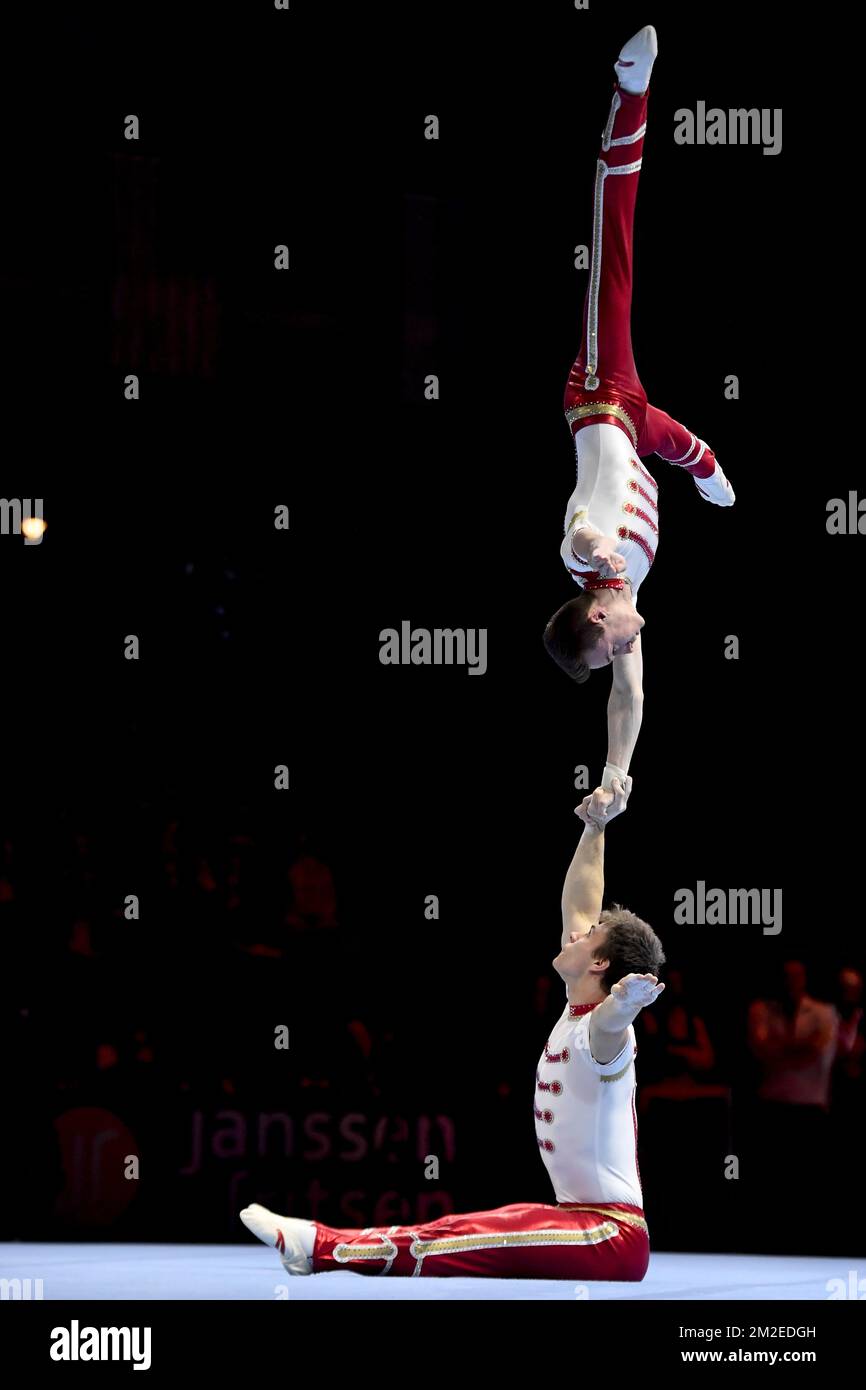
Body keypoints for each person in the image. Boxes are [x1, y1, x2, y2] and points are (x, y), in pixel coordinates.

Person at [239, 778, 666, 1279]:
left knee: (461, 1237)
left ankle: (316, 1246)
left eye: (590, 934)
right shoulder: (578, 1008)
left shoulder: (604, 1030)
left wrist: (627, 1003)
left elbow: (614, 1027)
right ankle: (320, 1246)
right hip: (584, 1224)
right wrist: (596, 825)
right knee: (470, 1227)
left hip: (611, 1234)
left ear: (598, 964)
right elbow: (581, 898)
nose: (576, 929)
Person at [543, 25, 735, 826]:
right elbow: (633, 698)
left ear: (594, 613)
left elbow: (588, 540)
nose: (625, 648)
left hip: (600, 392)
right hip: (645, 430)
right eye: (618, 649)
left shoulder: (584, 550)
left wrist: (592, 552)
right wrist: (614, 781)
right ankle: (700, 459)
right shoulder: (631, 592)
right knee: (705, 467)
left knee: (611, 236)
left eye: (609, 642)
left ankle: (630, 91)